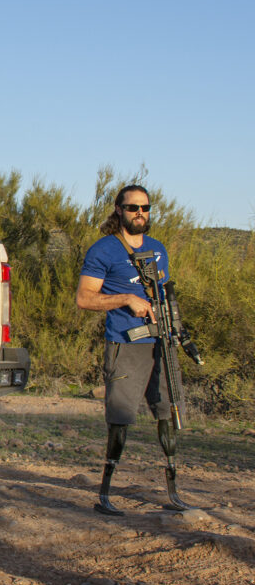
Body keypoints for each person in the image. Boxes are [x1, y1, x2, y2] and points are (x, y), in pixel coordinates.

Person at [76, 185, 191, 516]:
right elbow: (84, 298)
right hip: (126, 344)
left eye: (145, 208)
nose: (139, 213)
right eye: (132, 208)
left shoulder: (157, 249)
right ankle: (106, 492)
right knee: (121, 417)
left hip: (161, 343)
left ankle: (173, 490)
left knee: (168, 411)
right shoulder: (104, 250)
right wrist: (126, 299)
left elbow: (164, 292)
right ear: (118, 211)